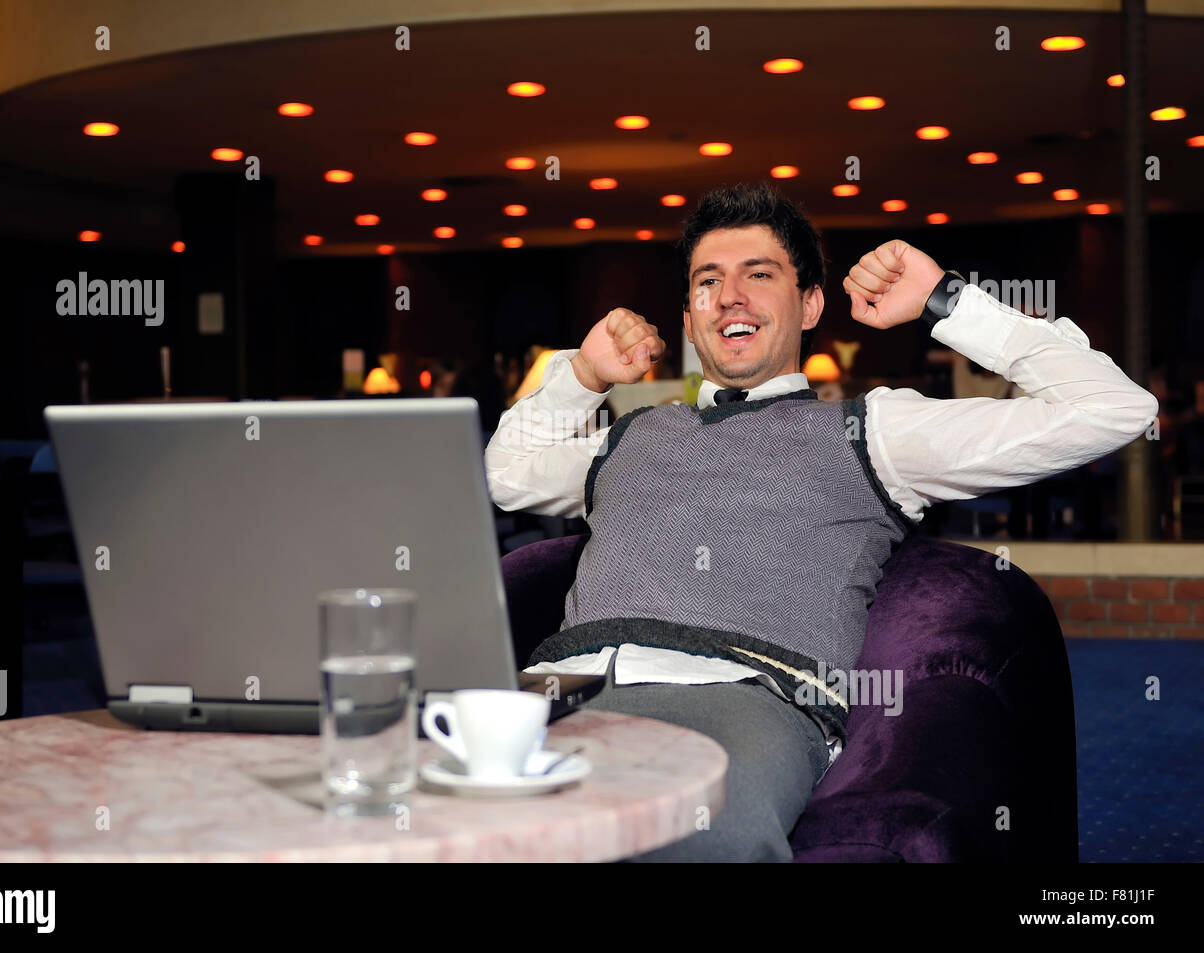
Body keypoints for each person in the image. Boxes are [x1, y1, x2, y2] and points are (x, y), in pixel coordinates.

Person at [483, 182, 1157, 862]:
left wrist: (945, 300)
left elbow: (1111, 410)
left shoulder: (871, 429)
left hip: (734, 698)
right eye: (708, 281)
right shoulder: (631, 436)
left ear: (810, 304)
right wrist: (582, 376)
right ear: (690, 318)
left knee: (691, 837)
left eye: (760, 274)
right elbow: (506, 474)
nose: (732, 296)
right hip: (559, 690)